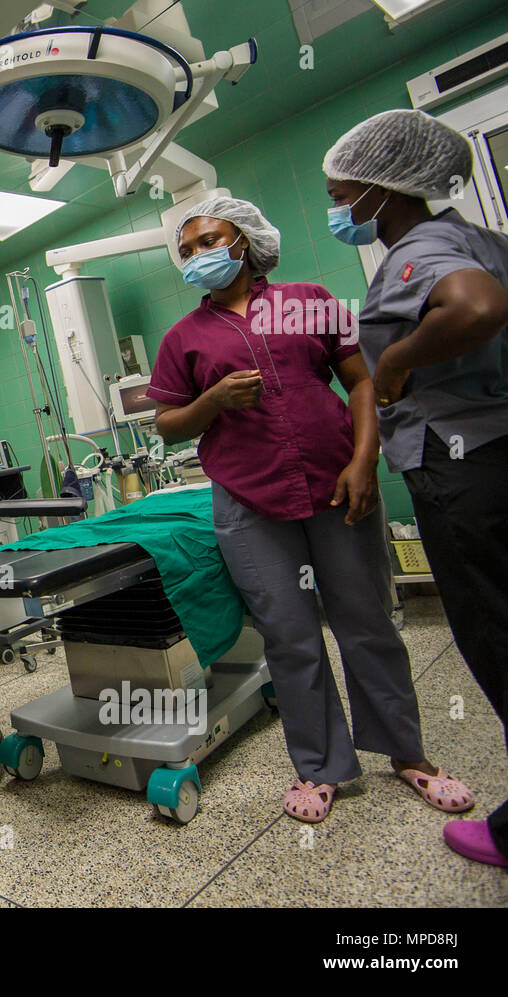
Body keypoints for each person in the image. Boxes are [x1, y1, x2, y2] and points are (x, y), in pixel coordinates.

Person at [147, 196, 472, 824]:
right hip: (248, 503)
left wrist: (364, 461)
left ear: (244, 240)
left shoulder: (309, 300)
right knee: (290, 639)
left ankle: (408, 753)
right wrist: (212, 400)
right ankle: (320, 768)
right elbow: (167, 427)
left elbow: (361, 382)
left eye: (209, 241)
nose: (196, 256)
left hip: (335, 484)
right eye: (186, 250)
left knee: (368, 620)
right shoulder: (183, 337)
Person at [324, 109, 508, 868]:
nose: (335, 207)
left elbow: (475, 309)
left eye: (339, 193)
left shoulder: (418, 249)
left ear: (379, 188)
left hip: (463, 471)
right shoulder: (481, 238)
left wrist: (395, 361)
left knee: (496, 633)